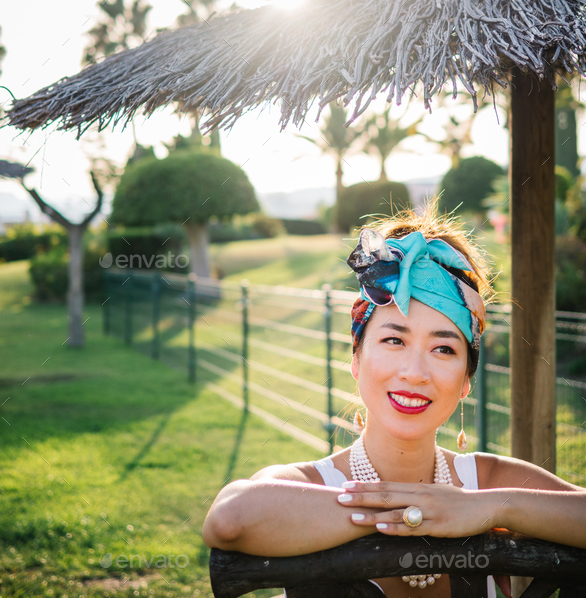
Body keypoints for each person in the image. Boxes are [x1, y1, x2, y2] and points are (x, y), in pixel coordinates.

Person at [202, 203, 586, 597]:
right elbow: (231, 518)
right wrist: (415, 512)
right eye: (394, 340)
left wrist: (493, 507)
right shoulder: (313, 485)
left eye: (443, 350)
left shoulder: (483, 483)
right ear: (356, 357)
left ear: (467, 379)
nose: (414, 372)